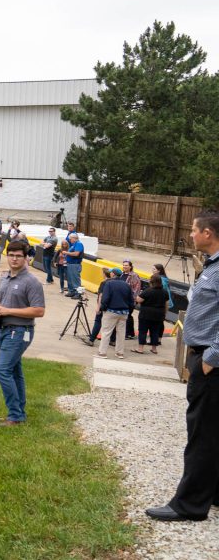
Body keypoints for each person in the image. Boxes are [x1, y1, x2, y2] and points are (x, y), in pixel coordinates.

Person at [146, 210, 219, 522]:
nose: (190, 235)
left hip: (211, 362)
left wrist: (211, 359)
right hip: (205, 357)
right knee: (212, 431)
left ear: (207, 233)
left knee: (202, 434)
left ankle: (188, 505)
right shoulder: (212, 266)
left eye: (193, 230)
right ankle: (213, 493)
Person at [0, 240, 46, 427]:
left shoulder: (32, 282)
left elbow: (39, 311)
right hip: (4, 329)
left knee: (1, 369)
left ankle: (15, 415)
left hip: (20, 331)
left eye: (18, 256)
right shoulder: (5, 277)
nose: (14, 259)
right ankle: (18, 413)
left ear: (26, 258)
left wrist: (7, 311)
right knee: (14, 371)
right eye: (11, 255)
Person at [96, 267, 133, 359]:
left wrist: (103, 308)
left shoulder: (109, 284)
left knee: (106, 332)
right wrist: (128, 311)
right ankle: (120, 353)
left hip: (111, 311)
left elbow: (105, 298)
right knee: (121, 334)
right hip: (124, 312)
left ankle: (102, 353)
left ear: (113, 274)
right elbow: (131, 301)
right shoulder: (126, 285)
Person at [134, 274, 168, 355]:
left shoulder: (148, 291)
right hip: (159, 314)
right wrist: (164, 313)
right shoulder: (164, 292)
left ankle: (140, 348)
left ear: (151, 281)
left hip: (146, 314)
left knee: (143, 330)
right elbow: (166, 304)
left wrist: (137, 296)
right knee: (155, 331)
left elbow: (139, 300)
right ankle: (154, 349)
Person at [121, 260, 142, 341]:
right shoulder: (122, 274)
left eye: (126, 265)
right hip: (122, 299)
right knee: (127, 316)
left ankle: (128, 334)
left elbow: (137, 289)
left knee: (127, 315)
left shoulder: (134, 275)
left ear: (130, 266)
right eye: (123, 265)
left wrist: (133, 300)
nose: (124, 266)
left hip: (129, 300)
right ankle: (130, 333)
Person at [64, 232, 84, 298]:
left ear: (74, 238)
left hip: (75, 264)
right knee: (70, 279)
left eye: (70, 239)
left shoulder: (78, 244)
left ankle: (78, 294)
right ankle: (71, 291)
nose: (70, 240)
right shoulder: (74, 244)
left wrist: (66, 253)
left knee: (76, 280)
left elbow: (76, 254)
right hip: (70, 264)